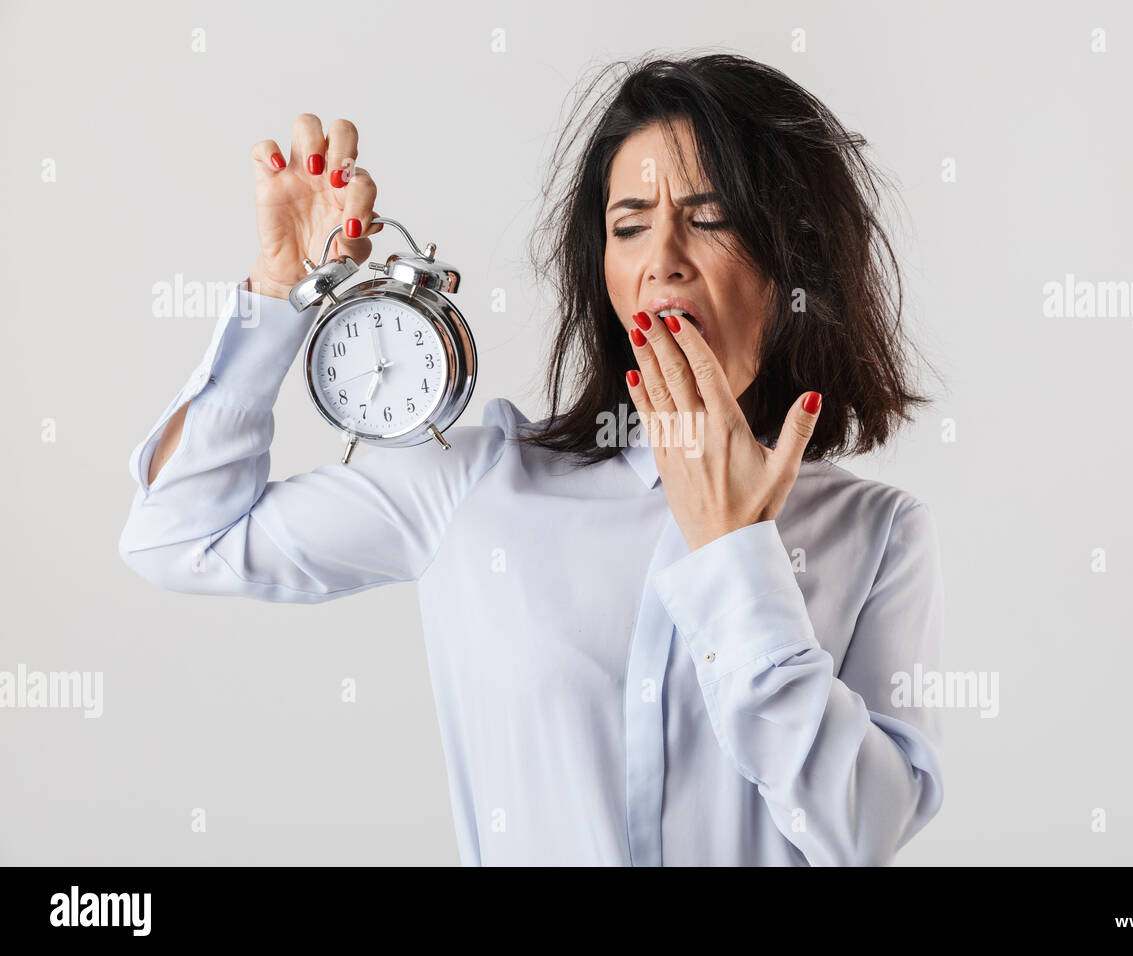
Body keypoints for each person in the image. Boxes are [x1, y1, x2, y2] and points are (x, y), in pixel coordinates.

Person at [119, 53, 946, 866]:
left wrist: (736, 558)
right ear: (607, 270)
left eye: (709, 218)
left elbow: (859, 835)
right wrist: (281, 288)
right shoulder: (475, 483)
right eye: (629, 227)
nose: (662, 258)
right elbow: (176, 535)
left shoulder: (878, 535)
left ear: (792, 260)